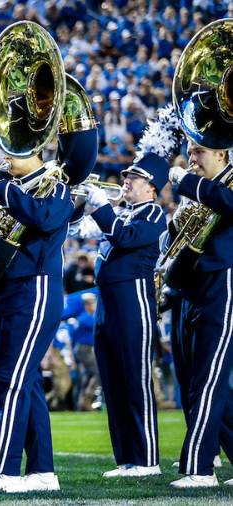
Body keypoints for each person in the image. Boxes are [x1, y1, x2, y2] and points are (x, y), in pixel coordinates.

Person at [0, 151, 74, 494]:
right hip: (9, 290)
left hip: (36, 289)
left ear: (36, 153)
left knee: (9, 380)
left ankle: (7, 471)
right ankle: (43, 470)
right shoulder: (18, 190)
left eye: (14, 152)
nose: (6, 159)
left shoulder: (55, 188)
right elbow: (12, 243)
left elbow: (42, 218)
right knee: (24, 382)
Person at [72, 129, 170, 477]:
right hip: (107, 305)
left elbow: (126, 239)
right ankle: (126, 458)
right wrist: (84, 206)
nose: (126, 181)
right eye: (127, 176)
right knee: (112, 381)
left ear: (152, 188)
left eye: (135, 178)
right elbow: (78, 229)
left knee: (135, 380)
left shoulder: (153, 214)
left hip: (134, 302)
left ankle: (147, 460)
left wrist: (101, 208)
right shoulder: (121, 212)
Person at [166, 141, 233, 488]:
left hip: (224, 283)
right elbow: (176, 246)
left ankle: (199, 468)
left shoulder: (225, 184)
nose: (191, 159)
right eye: (190, 153)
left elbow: (228, 202)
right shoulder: (203, 192)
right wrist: (178, 223)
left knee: (208, 378)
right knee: (201, 380)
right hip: (194, 288)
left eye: (198, 153)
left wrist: (188, 184)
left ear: (222, 154)